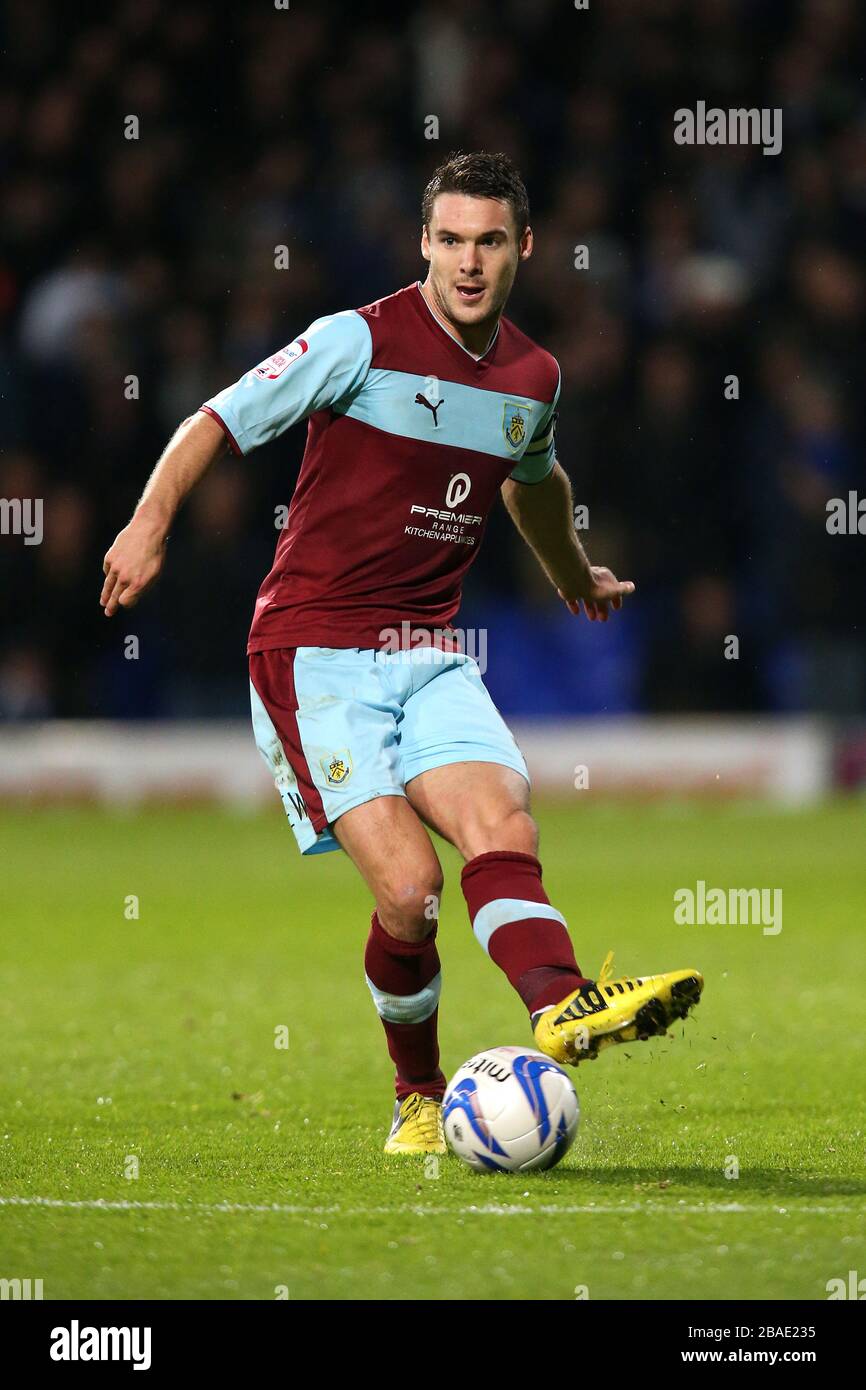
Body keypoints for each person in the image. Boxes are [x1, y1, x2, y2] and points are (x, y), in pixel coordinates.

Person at [101, 151, 702, 1156]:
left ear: (523, 249)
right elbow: (213, 417)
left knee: (501, 821)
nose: (468, 262)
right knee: (411, 892)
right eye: (451, 240)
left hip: (426, 652)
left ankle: (557, 1006)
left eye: (490, 242)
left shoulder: (532, 376)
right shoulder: (354, 340)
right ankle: (416, 1093)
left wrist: (568, 569)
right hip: (312, 652)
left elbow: (531, 476)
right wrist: (150, 518)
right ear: (424, 243)